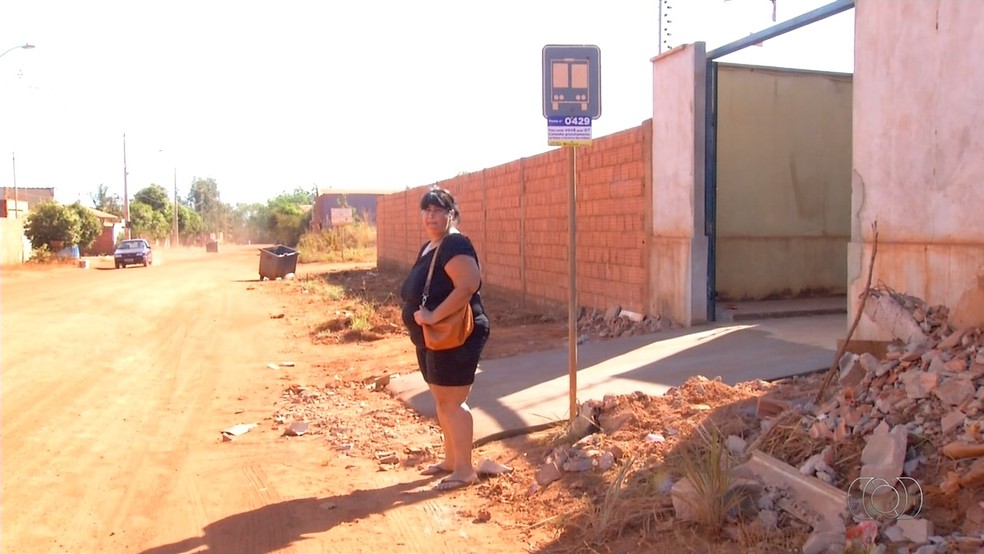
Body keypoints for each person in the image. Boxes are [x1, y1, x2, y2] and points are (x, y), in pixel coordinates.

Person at [400, 187, 490, 491]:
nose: (431, 216)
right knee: (442, 400)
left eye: (438, 210)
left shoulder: (455, 244)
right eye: (426, 210)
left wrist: (432, 316)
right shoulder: (431, 246)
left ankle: (465, 470)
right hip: (432, 337)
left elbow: (468, 285)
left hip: (455, 334)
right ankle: (451, 461)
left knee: (452, 402)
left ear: (451, 213)